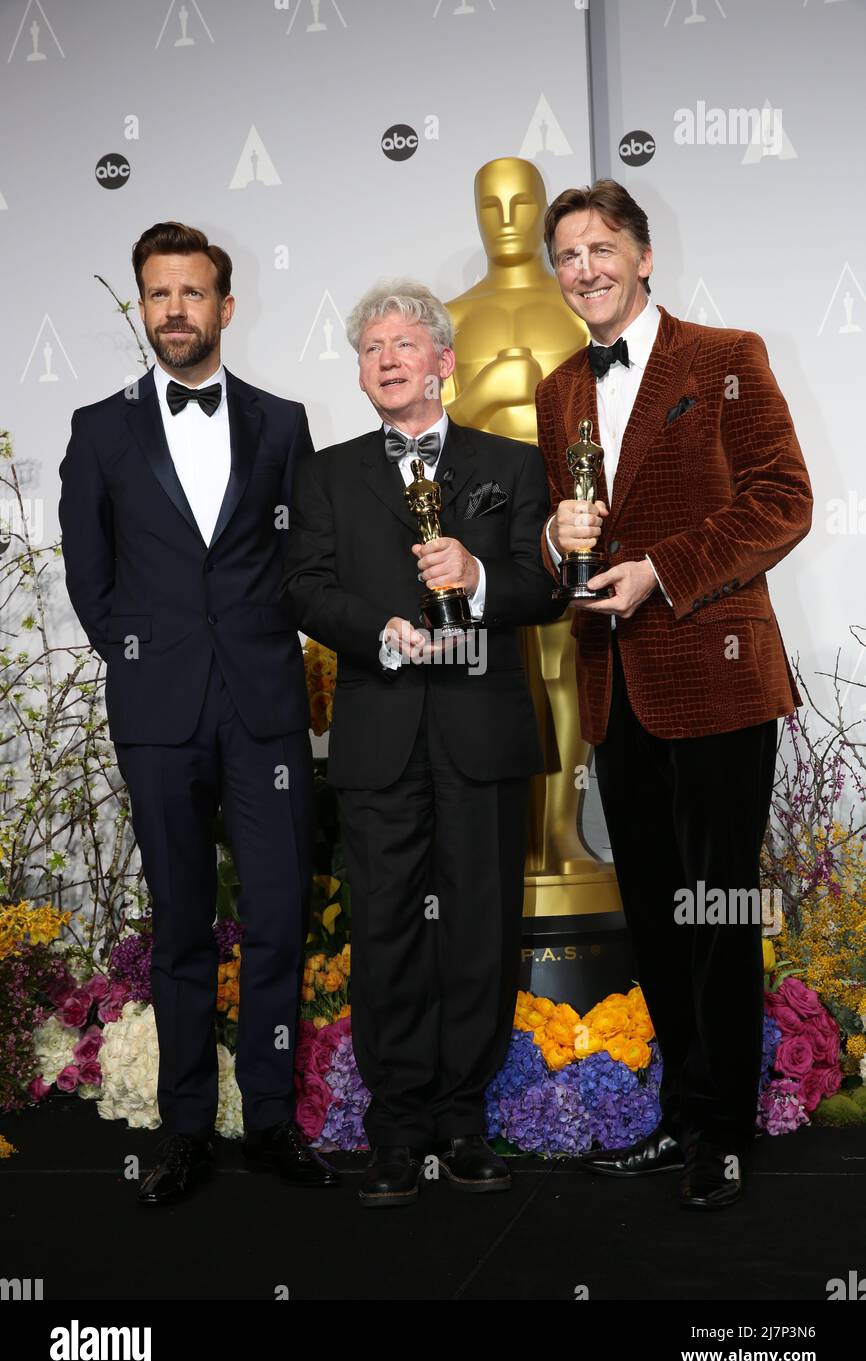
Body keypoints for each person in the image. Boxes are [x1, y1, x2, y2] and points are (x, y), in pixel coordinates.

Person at [536, 181, 812, 1209]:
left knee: (717, 906)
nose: (584, 269)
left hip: (717, 677)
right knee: (652, 912)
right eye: (567, 255)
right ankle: (682, 1112)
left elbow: (782, 501)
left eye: (601, 248)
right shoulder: (558, 385)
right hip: (615, 685)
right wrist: (549, 541)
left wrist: (659, 569)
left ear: (642, 257)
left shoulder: (723, 357)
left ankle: (723, 1131)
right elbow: (565, 523)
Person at [59, 221, 337, 1203]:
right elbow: (91, 582)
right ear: (144, 306)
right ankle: (187, 1128)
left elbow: (300, 564)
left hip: (262, 711)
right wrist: (146, 663)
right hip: (159, 712)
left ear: (225, 303)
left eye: (191, 292)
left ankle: (268, 1119)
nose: (174, 310)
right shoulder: (99, 430)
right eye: (157, 294)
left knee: (274, 918)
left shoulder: (280, 420)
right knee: (180, 923)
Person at [283, 279, 565, 1206]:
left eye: (406, 343)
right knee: (389, 926)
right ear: (361, 373)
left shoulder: (512, 465)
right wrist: (379, 633)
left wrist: (478, 574)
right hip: (379, 736)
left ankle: (463, 1119)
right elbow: (308, 589)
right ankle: (397, 1127)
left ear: (445, 361)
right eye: (371, 349)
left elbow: (544, 588)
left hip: (483, 732)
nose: (389, 359)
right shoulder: (326, 473)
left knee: (480, 928)